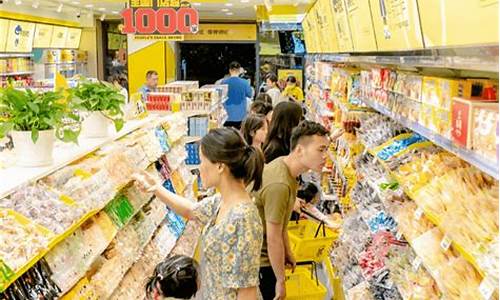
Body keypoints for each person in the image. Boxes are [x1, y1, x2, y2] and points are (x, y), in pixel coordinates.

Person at [133, 128, 264, 300]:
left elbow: (247, 292)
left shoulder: (243, 220)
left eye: (202, 161)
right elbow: (191, 210)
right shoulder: (222, 201)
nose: (199, 167)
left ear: (219, 166)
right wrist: (156, 188)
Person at [253, 121, 330, 300]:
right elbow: (273, 238)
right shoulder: (280, 185)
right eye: (321, 150)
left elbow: (281, 225)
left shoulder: (285, 167)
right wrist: (280, 279)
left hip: (267, 257)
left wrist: (288, 252)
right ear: (299, 150)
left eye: (326, 149)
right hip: (262, 261)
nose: (325, 156)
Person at [222, 62, 253, 130]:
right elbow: (250, 95)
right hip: (241, 116)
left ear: (230, 70)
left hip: (226, 116)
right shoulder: (245, 82)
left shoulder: (223, 82)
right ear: (239, 71)